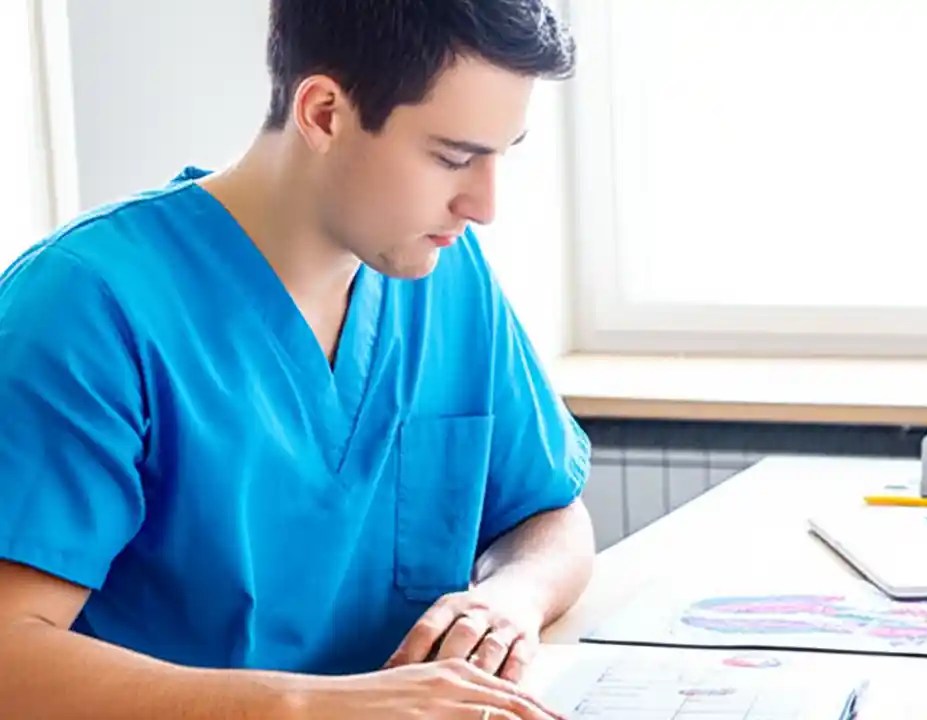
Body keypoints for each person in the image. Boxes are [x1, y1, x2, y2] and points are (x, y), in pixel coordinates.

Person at [0, 1, 594, 717]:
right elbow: (11, 654)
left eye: (504, 154)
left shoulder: (448, 276)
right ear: (322, 113)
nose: (485, 204)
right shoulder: (84, 306)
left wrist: (511, 597)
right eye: (454, 157)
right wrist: (309, 706)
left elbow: (550, 513)